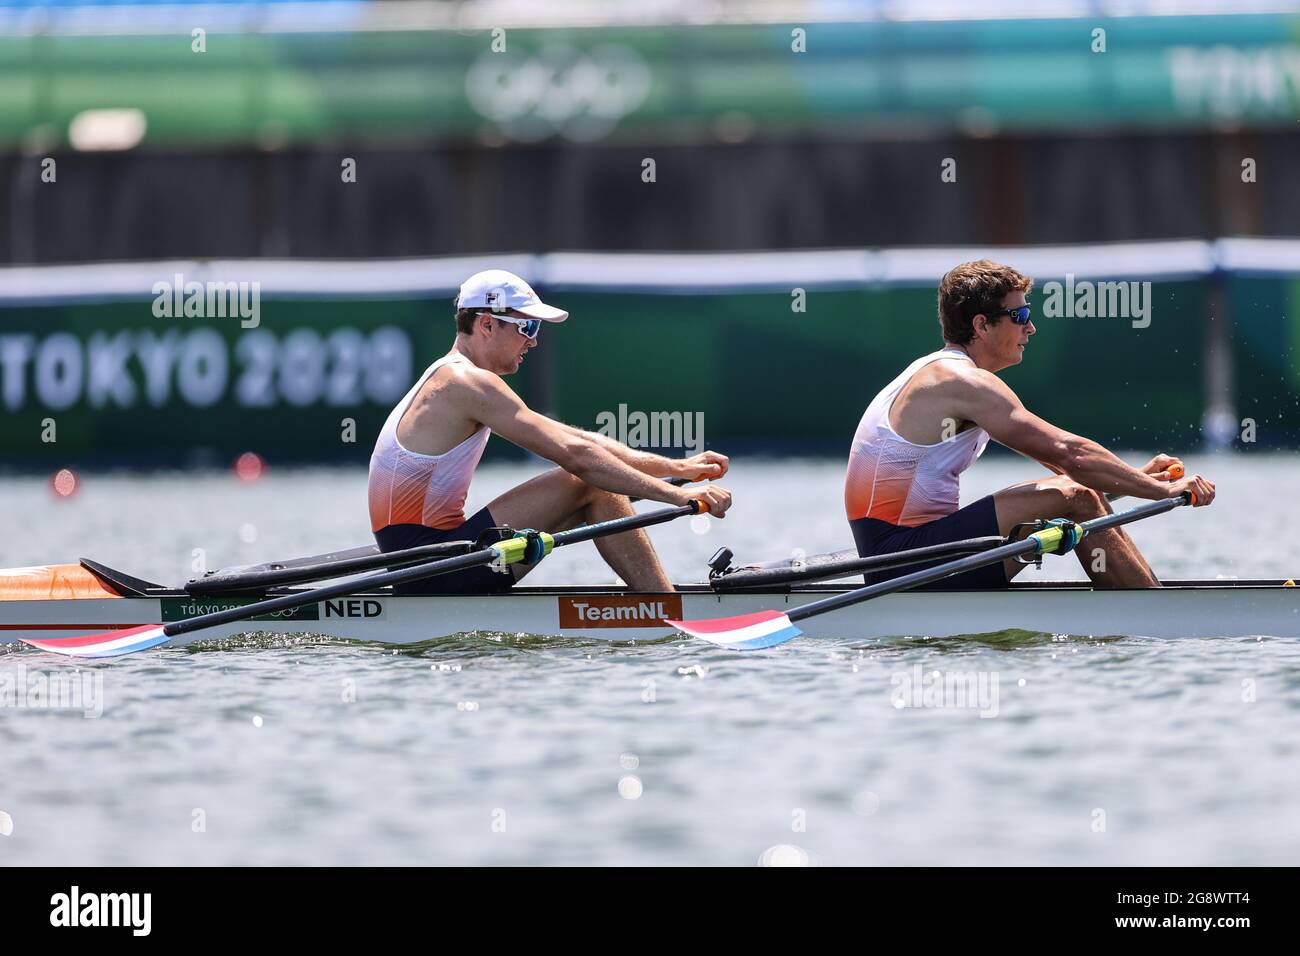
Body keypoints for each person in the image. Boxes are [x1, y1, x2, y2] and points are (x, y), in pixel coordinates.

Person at [844, 259, 1214, 589]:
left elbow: (1068, 467)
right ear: (981, 325)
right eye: (1020, 316)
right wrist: (1162, 491)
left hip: (915, 553)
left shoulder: (947, 374)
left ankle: (1148, 605)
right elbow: (1072, 455)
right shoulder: (963, 382)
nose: (1031, 328)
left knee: (1074, 493)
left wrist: (1137, 479)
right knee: (1077, 496)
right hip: (900, 562)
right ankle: (1153, 618)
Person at [368, 269, 731, 593]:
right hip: (432, 567)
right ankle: (666, 612)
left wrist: (677, 468)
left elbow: (582, 442)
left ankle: (658, 604)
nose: (534, 341)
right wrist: (678, 497)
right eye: (527, 327)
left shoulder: (453, 375)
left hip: (435, 556)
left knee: (594, 482)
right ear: (487, 325)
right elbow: (578, 458)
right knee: (588, 481)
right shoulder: (466, 382)